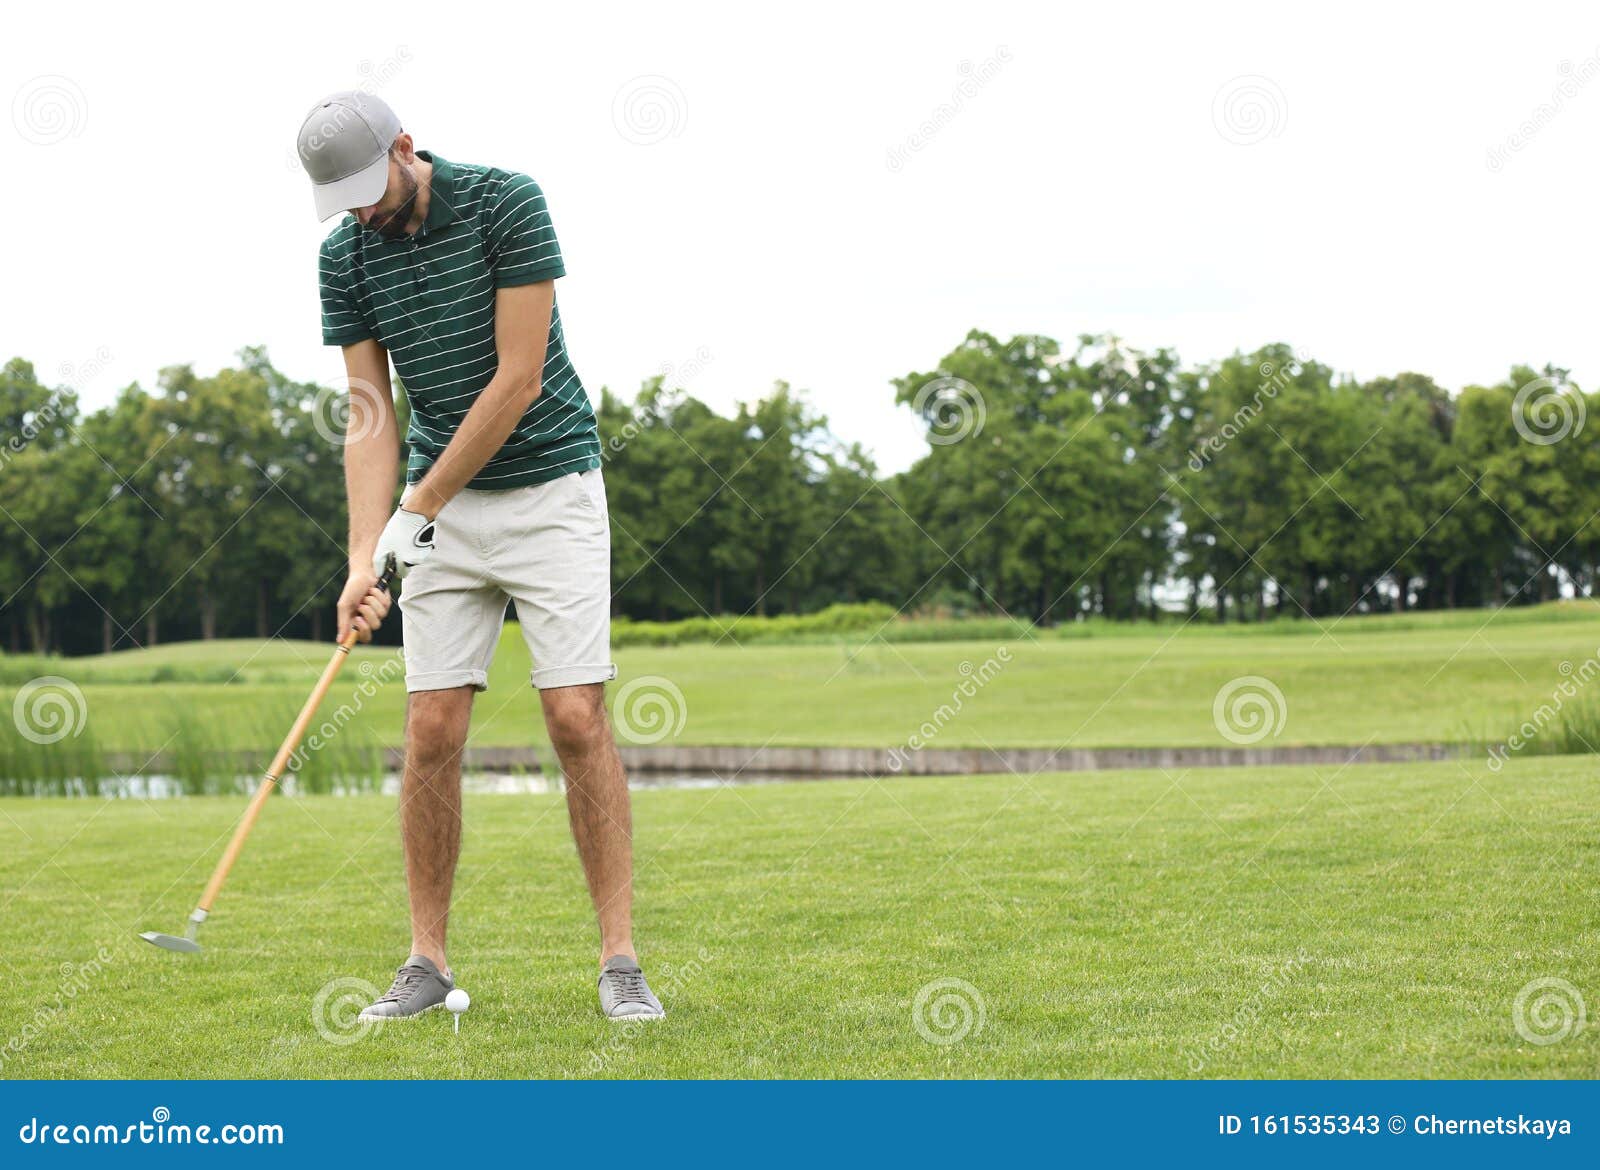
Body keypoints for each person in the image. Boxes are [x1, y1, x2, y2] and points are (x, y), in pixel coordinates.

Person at [296, 90, 663, 1021]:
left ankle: (620, 960)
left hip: (550, 491)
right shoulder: (345, 254)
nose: (360, 212)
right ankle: (427, 961)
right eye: (341, 201)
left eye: (366, 190)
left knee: (577, 716)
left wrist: (415, 508)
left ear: (406, 148)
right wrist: (360, 558)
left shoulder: (508, 202)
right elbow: (370, 413)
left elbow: (518, 378)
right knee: (431, 731)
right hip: (437, 515)